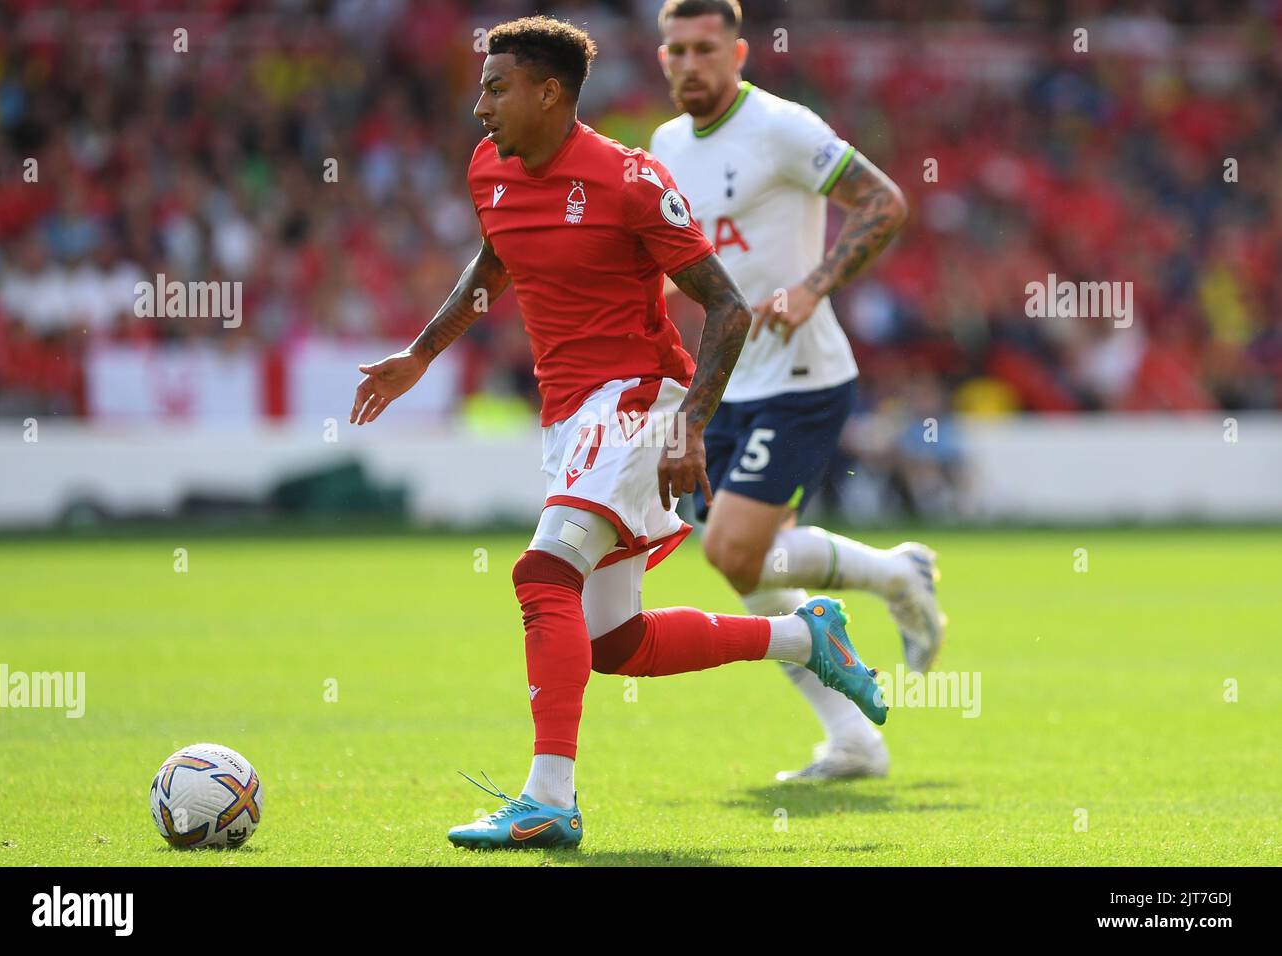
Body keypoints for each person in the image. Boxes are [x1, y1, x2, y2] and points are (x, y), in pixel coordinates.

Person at [350, 15, 887, 849]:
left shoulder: (630, 179)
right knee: (615, 642)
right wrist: (422, 354)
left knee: (541, 574)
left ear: (549, 92)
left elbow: (726, 303)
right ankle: (803, 634)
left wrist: (691, 425)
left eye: (496, 88)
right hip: (569, 416)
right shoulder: (487, 166)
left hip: (635, 401)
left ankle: (549, 798)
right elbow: (494, 261)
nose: (481, 105)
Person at [650, 0, 945, 781]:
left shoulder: (783, 126)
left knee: (733, 549)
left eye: (704, 48)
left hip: (804, 378)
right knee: (751, 569)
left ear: (739, 52)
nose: (689, 64)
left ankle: (890, 581)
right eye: (675, 50)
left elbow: (885, 201)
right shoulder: (665, 144)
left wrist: (814, 285)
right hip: (725, 381)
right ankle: (854, 735)